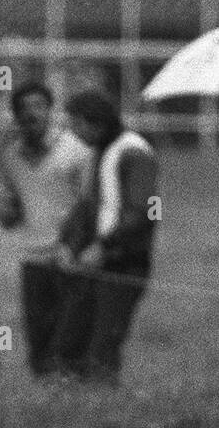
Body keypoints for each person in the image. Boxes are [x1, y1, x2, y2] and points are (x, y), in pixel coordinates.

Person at [0, 81, 95, 376]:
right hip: (34, 258)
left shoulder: (76, 151)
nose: (32, 114)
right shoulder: (11, 158)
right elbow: (10, 217)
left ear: (51, 110)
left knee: (72, 339)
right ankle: (46, 397)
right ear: (16, 117)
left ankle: (74, 391)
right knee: (39, 341)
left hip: (71, 256)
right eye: (24, 109)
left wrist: (79, 247)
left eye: (39, 106)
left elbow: (89, 206)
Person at [62, 86, 160, 384]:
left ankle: (103, 408)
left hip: (124, 261)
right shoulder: (100, 152)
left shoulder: (133, 152)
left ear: (94, 121)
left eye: (75, 124)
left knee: (103, 345)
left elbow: (144, 212)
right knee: (73, 340)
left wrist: (104, 247)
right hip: (98, 260)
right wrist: (69, 243)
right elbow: (90, 206)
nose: (74, 133)